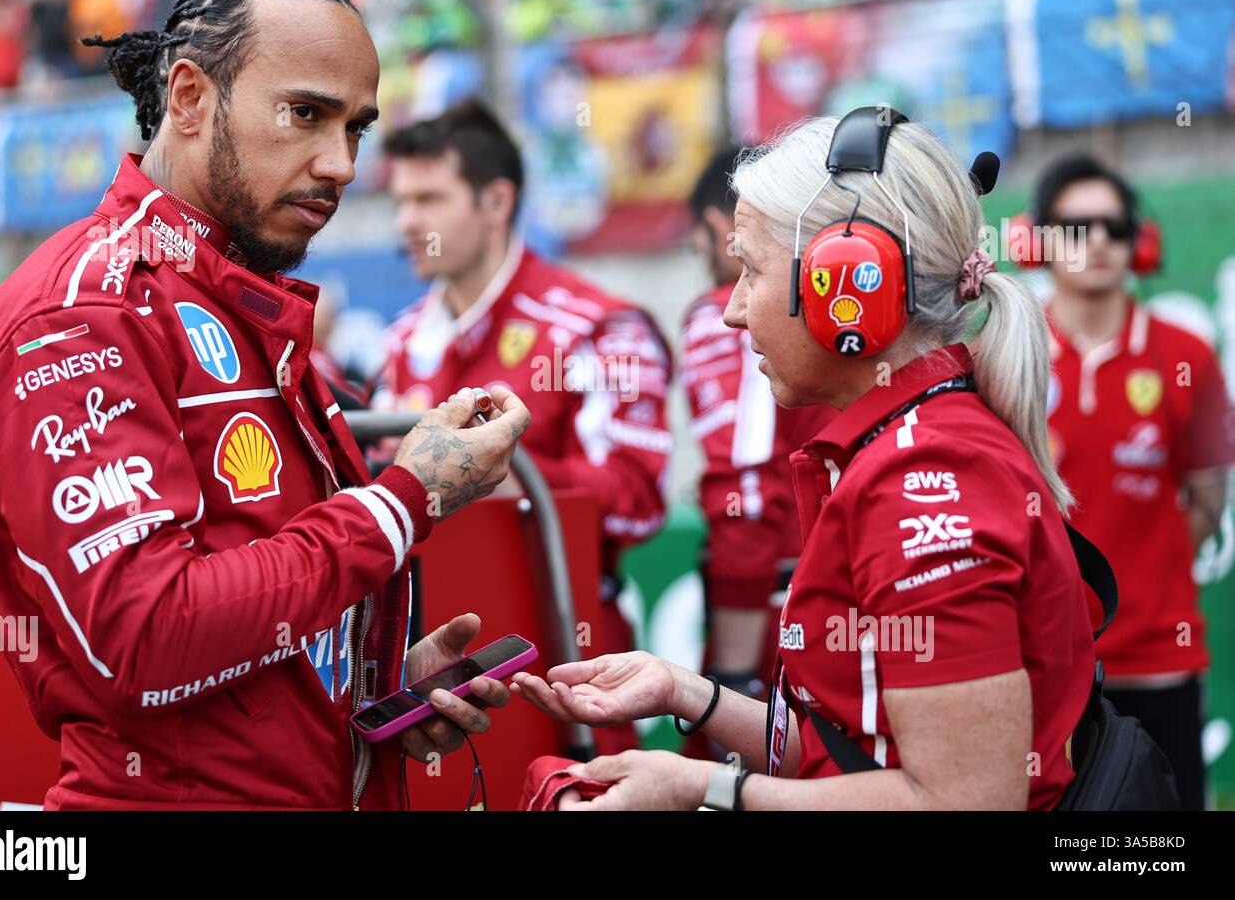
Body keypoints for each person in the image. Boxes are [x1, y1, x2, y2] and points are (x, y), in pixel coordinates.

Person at [0, 0, 530, 811]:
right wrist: (403, 500)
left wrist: (369, 688)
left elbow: (244, 619)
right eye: (304, 114)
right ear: (188, 97)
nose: (339, 166)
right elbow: (146, 640)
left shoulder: (241, 299)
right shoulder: (78, 318)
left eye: (356, 130)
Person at [512, 109, 1097, 810]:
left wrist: (706, 785)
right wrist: (685, 692)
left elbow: (961, 800)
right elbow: (853, 752)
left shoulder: (922, 483)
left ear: (855, 284)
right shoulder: (905, 449)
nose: (731, 311)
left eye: (750, 271)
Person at [373, 100, 672, 751]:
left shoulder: (600, 328)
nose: (406, 223)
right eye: (401, 201)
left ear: (496, 201)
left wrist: (493, 477)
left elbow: (640, 504)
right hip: (421, 678)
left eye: (428, 199)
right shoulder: (397, 346)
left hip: (566, 666)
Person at [1032, 153, 1235, 810]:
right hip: (1038, 666)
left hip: (1160, 659)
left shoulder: (1188, 355)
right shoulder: (1009, 356)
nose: (1095, 242)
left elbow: (1206, 500)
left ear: (1136, 240)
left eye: (1113, 227)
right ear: (1041, 239)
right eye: (1075, 226)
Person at [681, 147, 836, 707]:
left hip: (780, 624)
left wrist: (733, 676)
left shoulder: (717, 317)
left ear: (720, 225)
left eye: (696, 239)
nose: (733, 310)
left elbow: (742, 495)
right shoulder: (850, 304)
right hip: (859, 605)